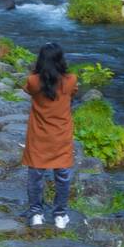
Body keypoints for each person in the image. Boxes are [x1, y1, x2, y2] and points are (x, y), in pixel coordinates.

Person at [22, 42, 79, 228]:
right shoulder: (70, 80)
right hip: (61, 136)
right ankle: (60, 215)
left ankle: (36, 213)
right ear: (60, 60)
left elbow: (28, 89)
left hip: (39, 136)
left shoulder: (33, 81)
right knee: (62, 176)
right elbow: (73, 93)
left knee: (35, 176)